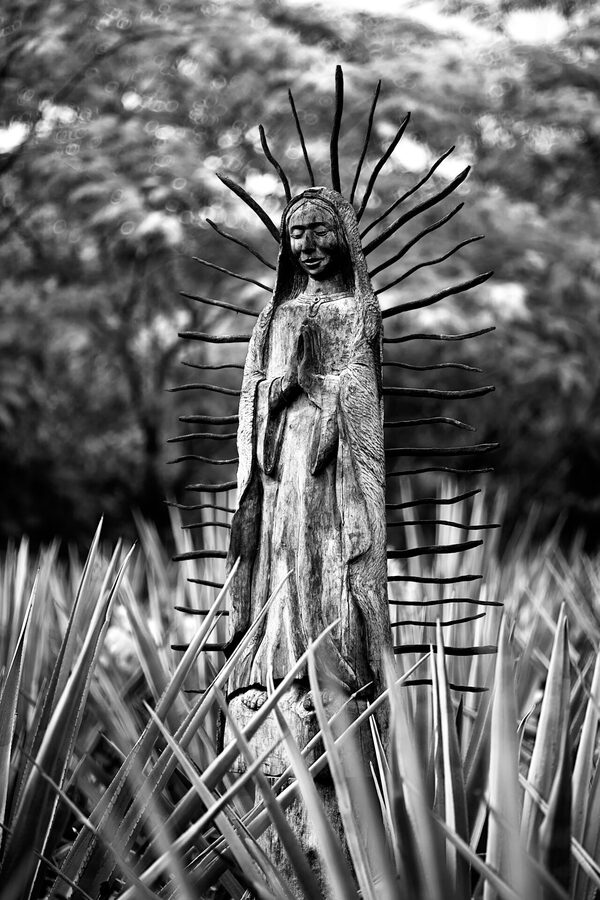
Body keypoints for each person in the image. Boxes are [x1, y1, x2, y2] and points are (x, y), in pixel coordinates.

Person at [226, 186, 391, 709]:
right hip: (279, 463)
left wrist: (313, 383)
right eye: (296, 233)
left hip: (333, 469)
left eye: (319, 230)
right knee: (281, 555)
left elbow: (362, 392)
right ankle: (273, 671)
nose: (307, 244)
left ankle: (332, 676)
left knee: (326, 559)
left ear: (342, 235)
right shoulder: (273, 316)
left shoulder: (357, 310)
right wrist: (273, 392)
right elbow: (253, 387)